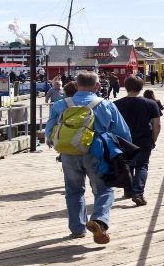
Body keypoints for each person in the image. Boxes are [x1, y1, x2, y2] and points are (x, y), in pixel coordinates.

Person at [45, 71, 131, 244]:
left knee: (74, 190)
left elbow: (50, 130)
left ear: (76, 85)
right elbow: (123, 132)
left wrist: (54, 142)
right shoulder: (105, 104)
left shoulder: (61, 104)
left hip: (69, 152)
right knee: (104, 189)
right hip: (97, 152)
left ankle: (77, 228)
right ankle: (99, 220)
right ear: (97, 85)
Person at [114, 76, 162, 207]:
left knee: (127, 165)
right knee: (142, 166)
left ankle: (128, 191)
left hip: (124, 141)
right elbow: (157, 125)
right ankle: (138, 193)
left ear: (126, 87)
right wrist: (153, 139)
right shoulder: (151, 103)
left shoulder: (116, 104)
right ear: (141, 87)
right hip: (144, 139)